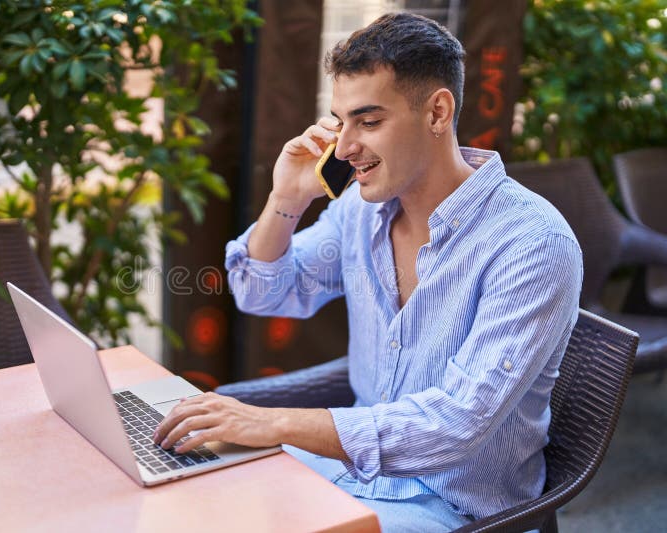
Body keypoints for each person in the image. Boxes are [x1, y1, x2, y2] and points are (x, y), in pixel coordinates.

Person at [153, 12, 582, 532]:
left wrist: (274, 423)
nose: (345, 147)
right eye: (341, 121)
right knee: (188, 497)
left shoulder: (532, 243)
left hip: (457, 510)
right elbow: (261, 292)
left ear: (437, 112)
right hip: (348, 474)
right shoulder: (361, 210)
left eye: (369, 121)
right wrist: (286, 199)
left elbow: (454, 426)